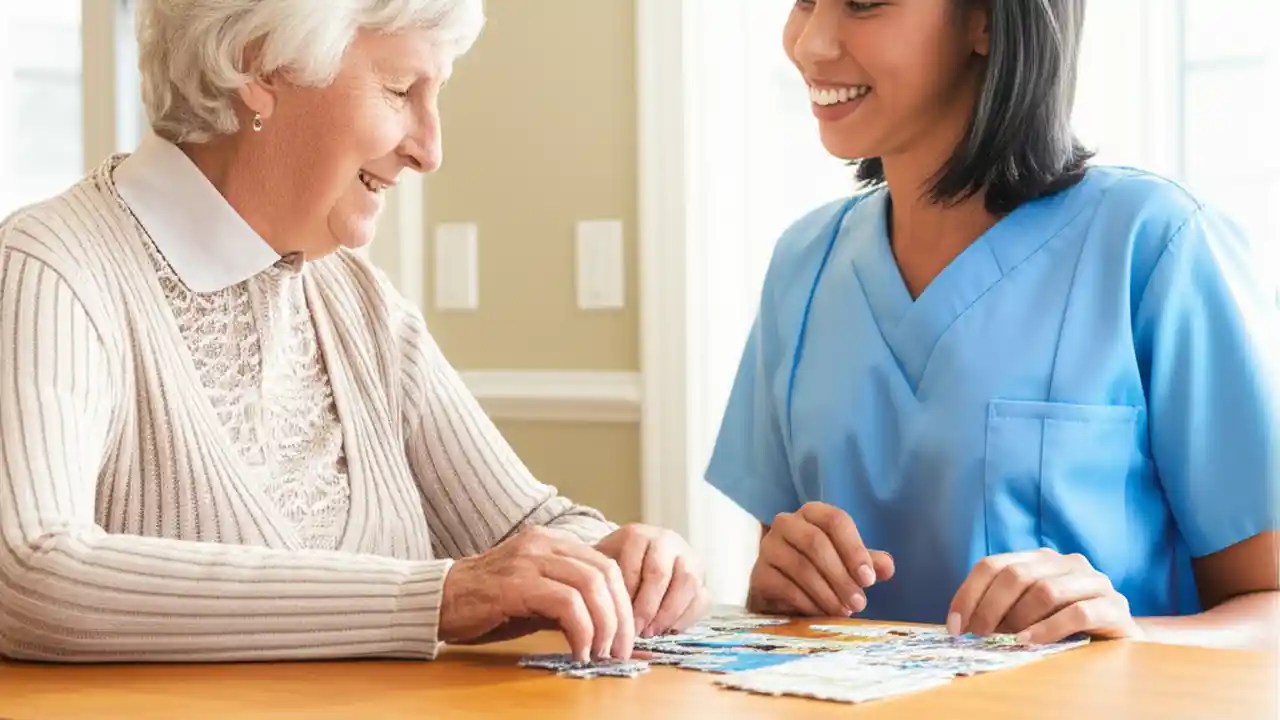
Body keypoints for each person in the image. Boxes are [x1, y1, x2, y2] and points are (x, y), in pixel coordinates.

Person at [0, 0, 708, 664]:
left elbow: (522, 526)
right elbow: (29, 570)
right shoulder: (55, 265)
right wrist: (429, 597)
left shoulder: (358, 299)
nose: (430, 150)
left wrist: (624, 561)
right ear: (261, 68)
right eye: (401, 90)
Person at [707, 0, 1278, 650]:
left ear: (986, 18)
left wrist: (1130, 638)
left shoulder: (1155, 244)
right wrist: (776, 590)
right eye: (804, 1)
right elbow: (779, 607)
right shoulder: (802, 265)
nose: (810, 43)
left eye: (864, 3)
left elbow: (1269, 607)